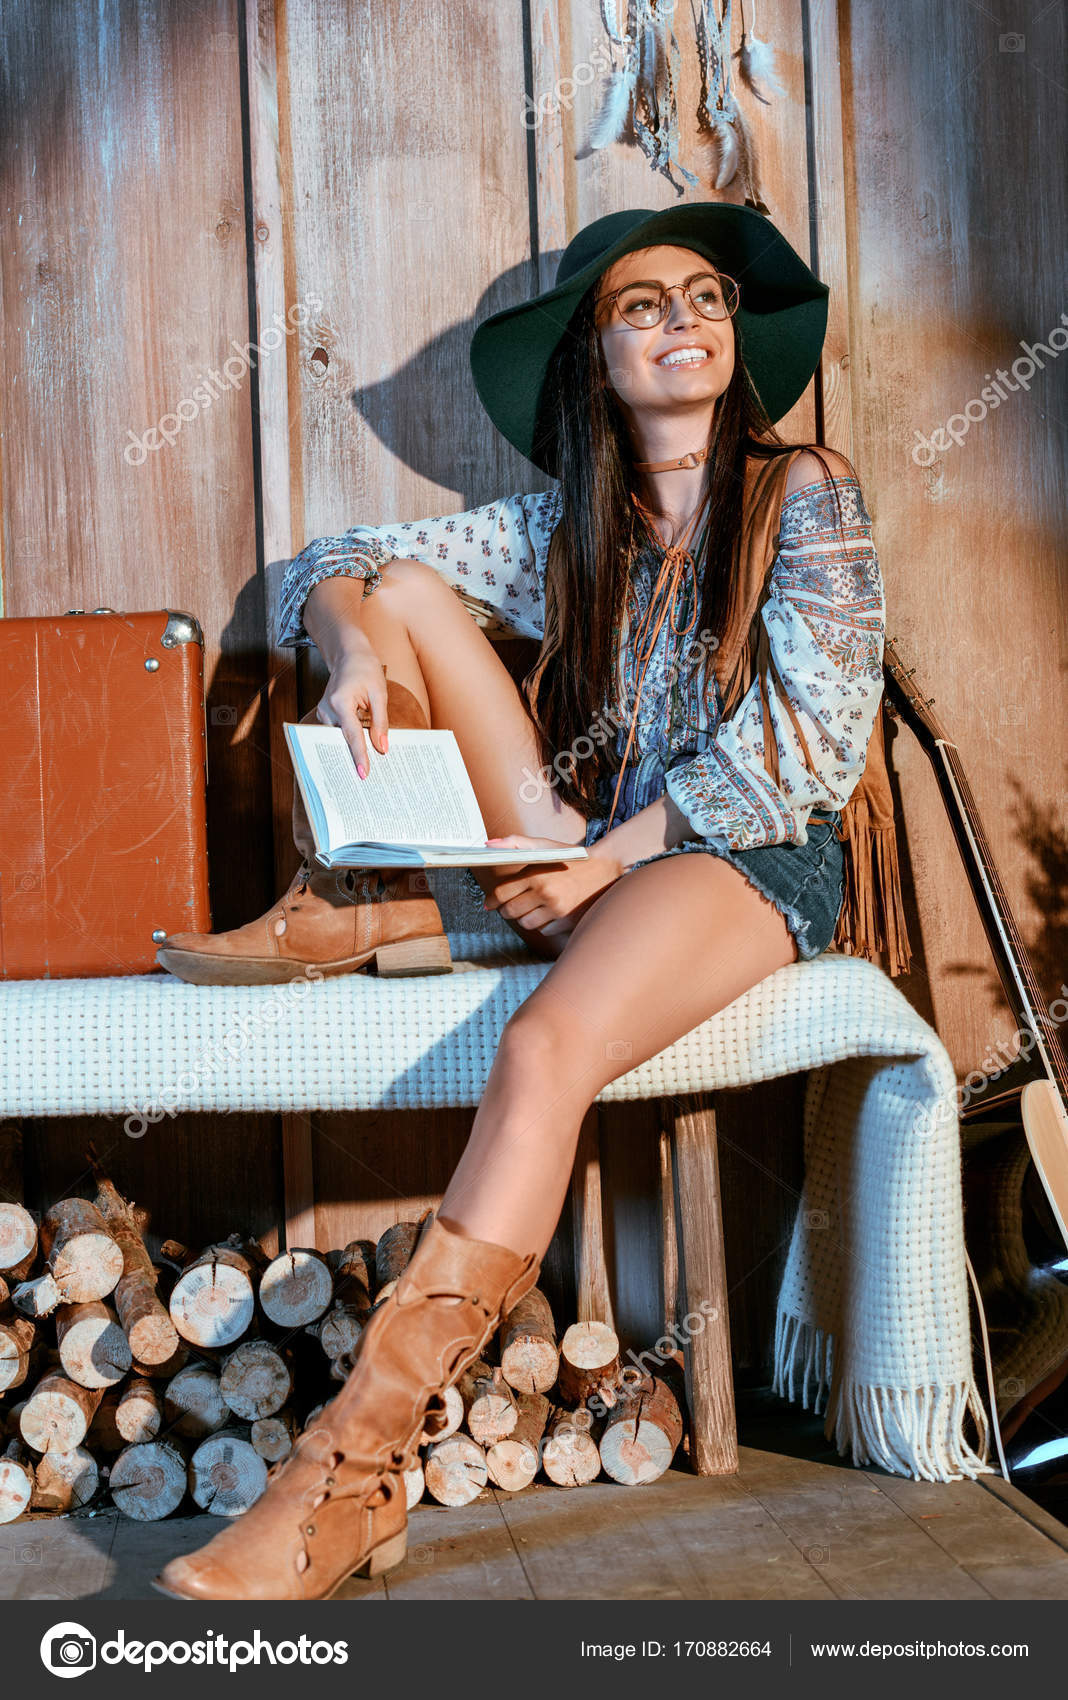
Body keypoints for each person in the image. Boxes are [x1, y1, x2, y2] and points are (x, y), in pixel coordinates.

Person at [154, 204, 887, 1601]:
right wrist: (352, 648)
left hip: (742, 862)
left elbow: (812, 750)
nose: (684, 320)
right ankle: (364, 897)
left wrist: (604, 863)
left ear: (734, 338)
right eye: (642, 304)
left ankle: (350, 1475)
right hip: (597, 848)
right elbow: (337, 556)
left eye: (706, 297)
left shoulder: (809, 494)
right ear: (593, 359)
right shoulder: (572, 522)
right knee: (409, 589)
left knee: (543, 1046)